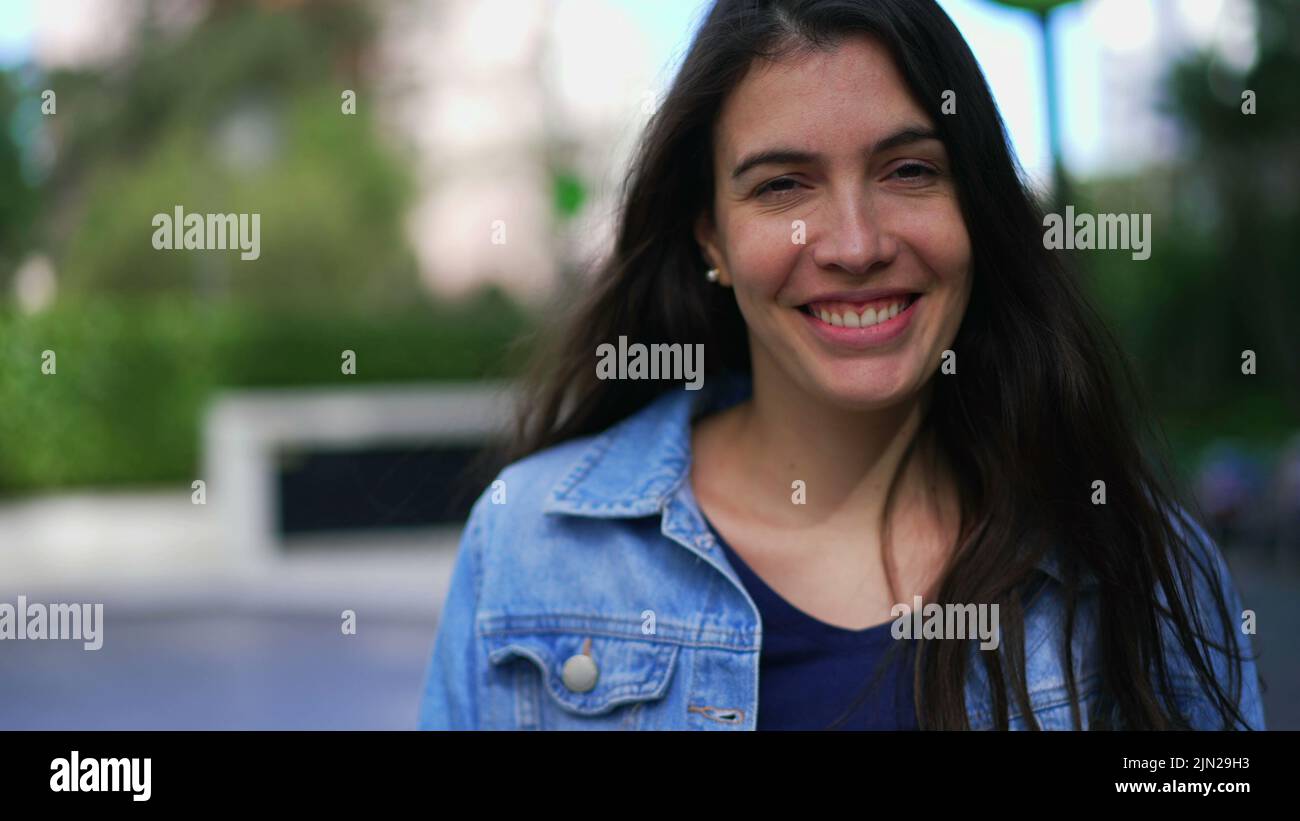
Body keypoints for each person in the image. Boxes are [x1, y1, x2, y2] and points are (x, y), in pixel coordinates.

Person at [418, 0, 1264, 730]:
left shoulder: (1134, 561)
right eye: (783, 185)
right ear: (711, 234)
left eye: (909, 170)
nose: (857, 245)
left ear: (975, 205)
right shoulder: (531, 546)